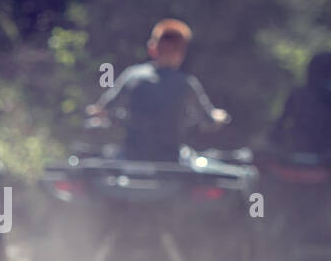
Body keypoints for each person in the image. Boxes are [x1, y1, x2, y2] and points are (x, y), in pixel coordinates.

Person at [87, 19, 229, 160]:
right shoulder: (186, 83)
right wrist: (219, 117)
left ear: (152, 49)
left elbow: (102, 110)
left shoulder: (132, 77)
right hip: (171, 159)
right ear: (182, 53)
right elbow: (208, 120)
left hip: (133, 156)